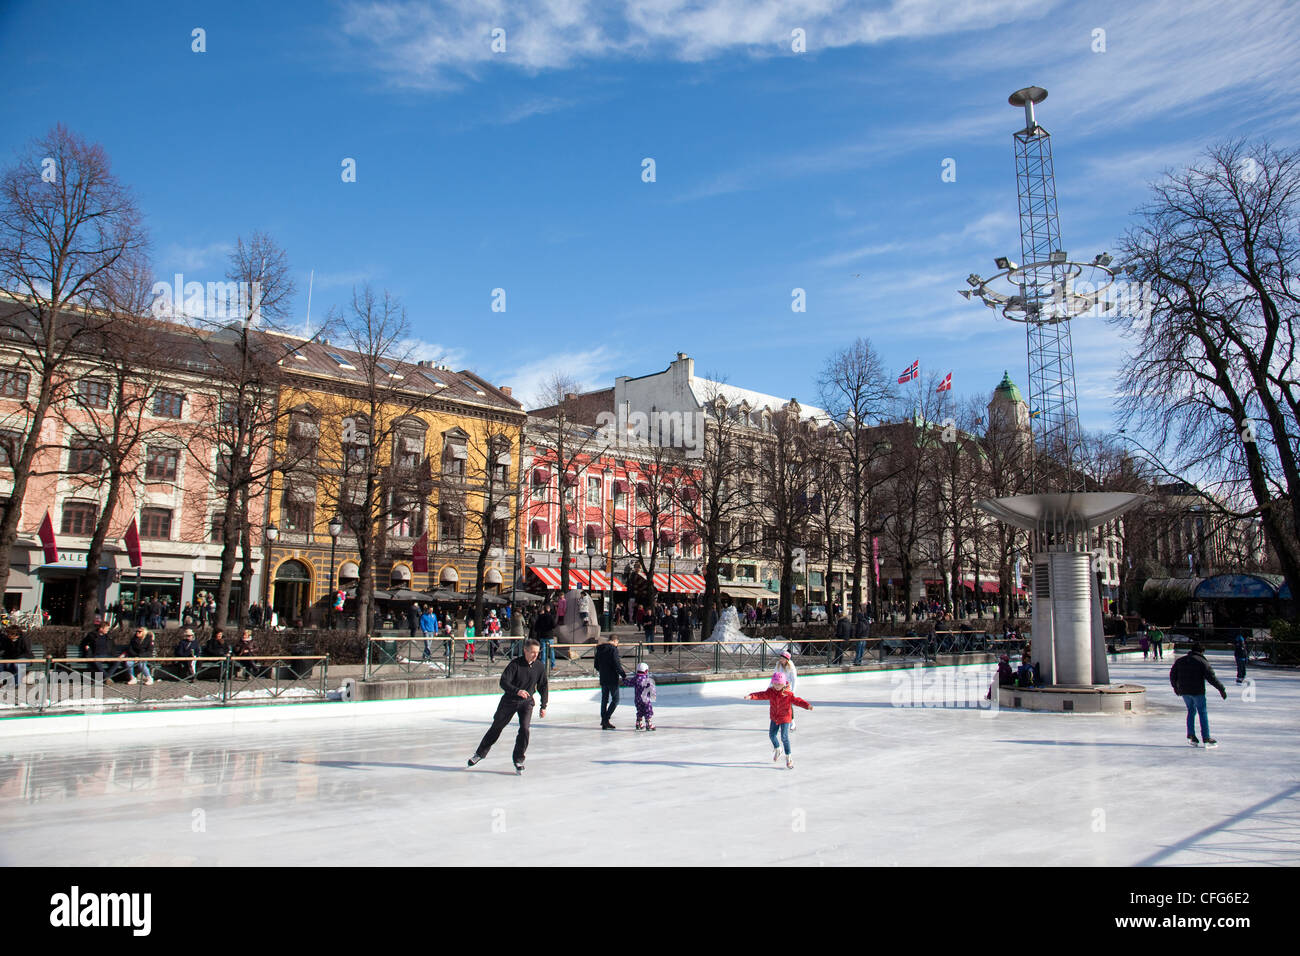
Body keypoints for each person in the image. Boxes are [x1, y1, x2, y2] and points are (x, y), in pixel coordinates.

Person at [468, 638, 549, 774]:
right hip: (509, 701)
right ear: (525, 651)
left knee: (525, 729)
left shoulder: (539, 666)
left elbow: (543, 686)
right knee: (497, 727)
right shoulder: (515, 665)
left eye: (537, 652)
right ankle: (479, 754)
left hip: (527, 703)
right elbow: (504, 682)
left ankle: (519, 759)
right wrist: (517, 691)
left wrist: (543, 705)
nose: (535, 655)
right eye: (532, 652)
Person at [744, 672, 812, 770]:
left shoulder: (788, 694)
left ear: (784, 684)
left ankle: (789, 757)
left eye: (779, 684)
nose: (777, 686)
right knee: (772, 735)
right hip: (774, 717)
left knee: (784, 737)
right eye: (775, 683)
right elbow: (761, 695)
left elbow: (797, 701)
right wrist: (751, 696)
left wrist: (807, 705)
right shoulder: (770, 692)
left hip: (785, 718)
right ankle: (778, 749)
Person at [1169, 642, 1226, 747]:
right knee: (1202, 712)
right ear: (1202, 651)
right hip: (1197, 691)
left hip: (1184, 691)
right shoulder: (1202, 662)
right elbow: (1212, 678)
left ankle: (1191, 735)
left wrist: (1175, 687)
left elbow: (1172, 674)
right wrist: (1221, 689)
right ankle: (1206, 737)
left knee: (1191, 711)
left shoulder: (1180, 661)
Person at [594, 635, 627, 729]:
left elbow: (596, 665)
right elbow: (617, 664)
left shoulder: (599, 649)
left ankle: (604, 720)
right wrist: (623, 675)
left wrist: (603, 670)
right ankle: (605, 719)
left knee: (604, 699)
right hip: (612, 678)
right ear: (615, 640)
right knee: (616, 699)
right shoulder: (613, 650)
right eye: (618, 643)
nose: (617, 645)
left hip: (603, 677)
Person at [623, 661, 657, 730]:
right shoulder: (648, 679)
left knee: (640, 711)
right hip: (645, 699)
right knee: (648, 711)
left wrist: (624, 679)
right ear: (646, 671)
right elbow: (652, 689)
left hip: (637, 699)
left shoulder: (635, 678)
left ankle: (638, 723)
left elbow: (629, 684)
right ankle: (649, 724)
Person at [772, 650, 798, 730]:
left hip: (787, 687)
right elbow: (774, 676)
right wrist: (770, 687)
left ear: (787, 659)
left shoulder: (791, 667)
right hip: (778, 686)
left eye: (782, 658)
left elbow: (794, 680)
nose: (781, 660)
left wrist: (793, 691)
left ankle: (792, 722)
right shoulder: (778, 665)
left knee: (788, 705)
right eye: (780, 658)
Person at [536, 603, 556, 670]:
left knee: (543, 651)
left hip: (542, 635)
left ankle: (543, 664)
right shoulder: (551, 616)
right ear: (549, 609)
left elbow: (537, 626)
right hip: (549, 635)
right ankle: (552, 665)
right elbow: (554, 625)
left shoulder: (541, 616)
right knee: (552, 651)